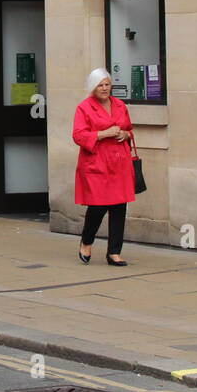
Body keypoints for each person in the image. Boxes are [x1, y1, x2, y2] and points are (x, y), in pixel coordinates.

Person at [73, 68, 135, 266]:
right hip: (96, 163)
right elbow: (78, 136)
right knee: (98, 206)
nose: (105, 88)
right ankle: (87, 240)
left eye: (107, 84)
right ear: (93, 87)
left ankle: (114, 252)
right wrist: (103, 134)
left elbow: (129, 129)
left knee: (119, 206)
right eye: (100, 85)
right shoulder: (84, 108)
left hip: (119, 162)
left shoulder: (120, 105)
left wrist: (125, 135)